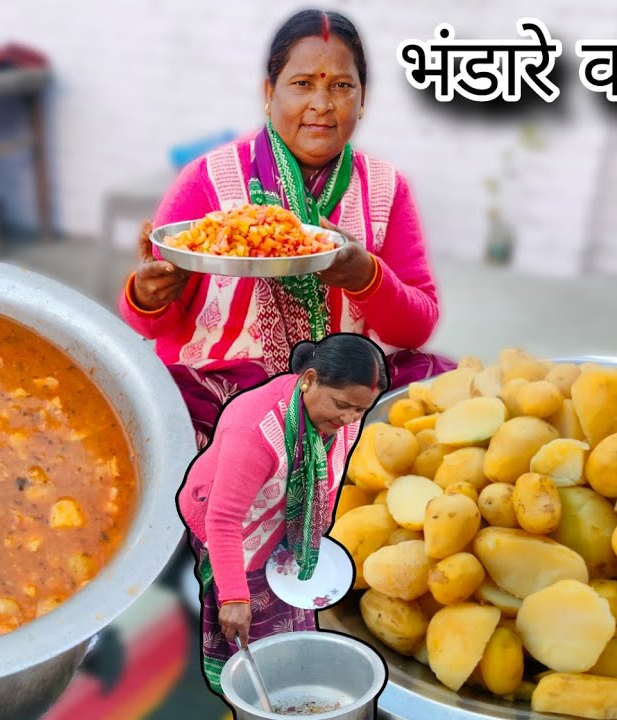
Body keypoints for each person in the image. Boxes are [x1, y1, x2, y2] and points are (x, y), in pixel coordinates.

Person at [118, 8, 454, 449]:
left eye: (341, 85)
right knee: (172, 429)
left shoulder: (387, 189)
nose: (322, 104)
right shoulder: (209, 179)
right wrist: (146, 297)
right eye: (302, 84)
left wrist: (367, 278)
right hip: (222, 390)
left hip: (349, 390)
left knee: (447, 398)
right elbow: (153, 324)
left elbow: (416, 326)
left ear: (363, 97)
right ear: (268, 91)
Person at [177, 334, 386, 692]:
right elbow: (223, 520)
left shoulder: (341, 419)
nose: (350, 418)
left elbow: (328, 481)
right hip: (226, 522)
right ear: (309, 380)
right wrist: (235, 598)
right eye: (342, 404)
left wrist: (310, 537)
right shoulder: (254, 430)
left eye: (360, 410)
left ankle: (288, 673)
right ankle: (255, 689)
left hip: (279, 520)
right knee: (248, 616)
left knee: (290, 602)